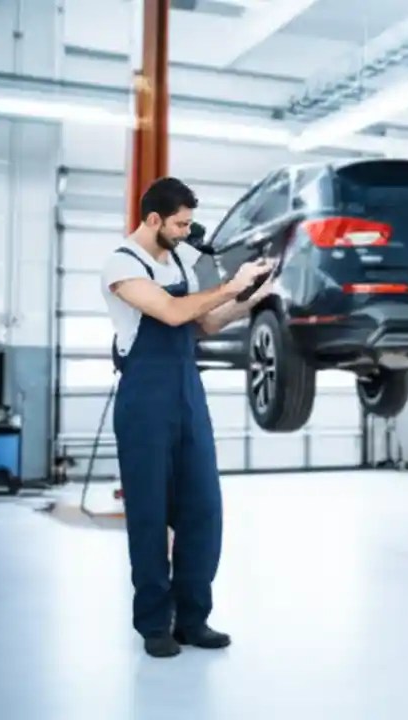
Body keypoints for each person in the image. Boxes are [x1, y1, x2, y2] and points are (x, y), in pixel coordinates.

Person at [99, 176, 274, 658]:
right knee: (150, 514)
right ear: (153, 219)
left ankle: (193, 619)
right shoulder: (121, 263)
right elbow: (173, 313)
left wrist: (252, 297)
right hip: (145, 400)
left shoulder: (178, 259)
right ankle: (155, 624)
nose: (185, 232)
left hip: (188, 395)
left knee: (203, 509)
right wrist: (228, 285)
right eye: (180, 224)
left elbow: (205, 323)